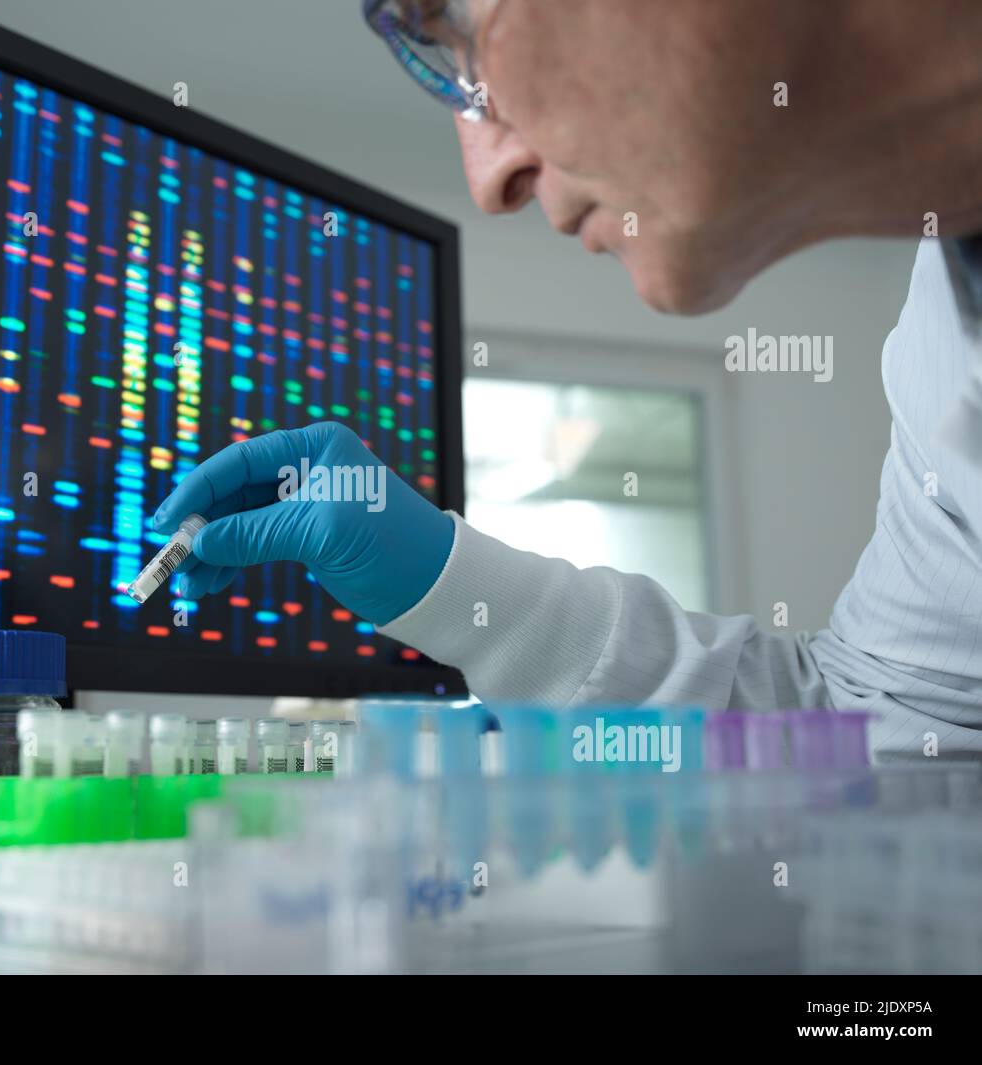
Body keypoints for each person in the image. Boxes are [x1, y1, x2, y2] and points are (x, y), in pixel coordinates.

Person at [155, 0, 982, 757]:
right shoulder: (942, 338)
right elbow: (893, 734)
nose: (489, 181)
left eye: (456, 34)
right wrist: (452, 584)